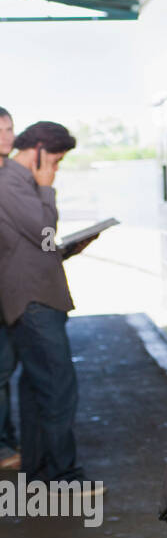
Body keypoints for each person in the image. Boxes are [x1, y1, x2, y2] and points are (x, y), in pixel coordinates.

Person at [0, 121, 100, 494]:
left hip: (35, 298)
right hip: (34, 302)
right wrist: (46, 186)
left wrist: (67, 249)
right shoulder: (10, 179)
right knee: (58, 388)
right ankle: (63, 476)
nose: (55, 169)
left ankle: (40, 469)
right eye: (55, 160)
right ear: (39, 149)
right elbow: (44, 232)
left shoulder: (13, 179)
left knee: (36, 389)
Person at [0, 107, 18, 470]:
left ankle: (6, 442)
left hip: (11, 292)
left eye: (10, 128)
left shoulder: (15, 175)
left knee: (4, 370)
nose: (7, 136)